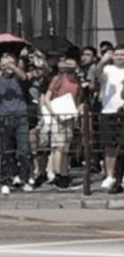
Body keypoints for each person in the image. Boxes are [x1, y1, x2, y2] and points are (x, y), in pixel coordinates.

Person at [0, 53, 33, 194]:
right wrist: (1, 70)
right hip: (4, 118)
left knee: (24, 150)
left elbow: (25, 77)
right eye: (4, 63)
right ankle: (6, 180)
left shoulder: (18, 76)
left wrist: (13, 67)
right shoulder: (0, 77)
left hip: (21, 117)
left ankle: (25, 179)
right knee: (6, 151)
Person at [43, 58, 83, 189]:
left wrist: (77, 112)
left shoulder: (77, 82)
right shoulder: (58, 79)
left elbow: (77, 100)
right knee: (58, 146)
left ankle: (65, 174)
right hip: (57, 115)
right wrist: (54, 114)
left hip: (70, 116)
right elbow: (46, 98)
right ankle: (58, 174)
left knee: (66, 147)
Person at [95, 44, 124, 192]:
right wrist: (102, 61)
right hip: (109, 111)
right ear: (113, 56)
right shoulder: (108, 69)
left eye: (122, 54)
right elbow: (98, 73)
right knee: (109, 146)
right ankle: (110, 175)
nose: (120, 57)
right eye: (117, 54)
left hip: (123, 111)